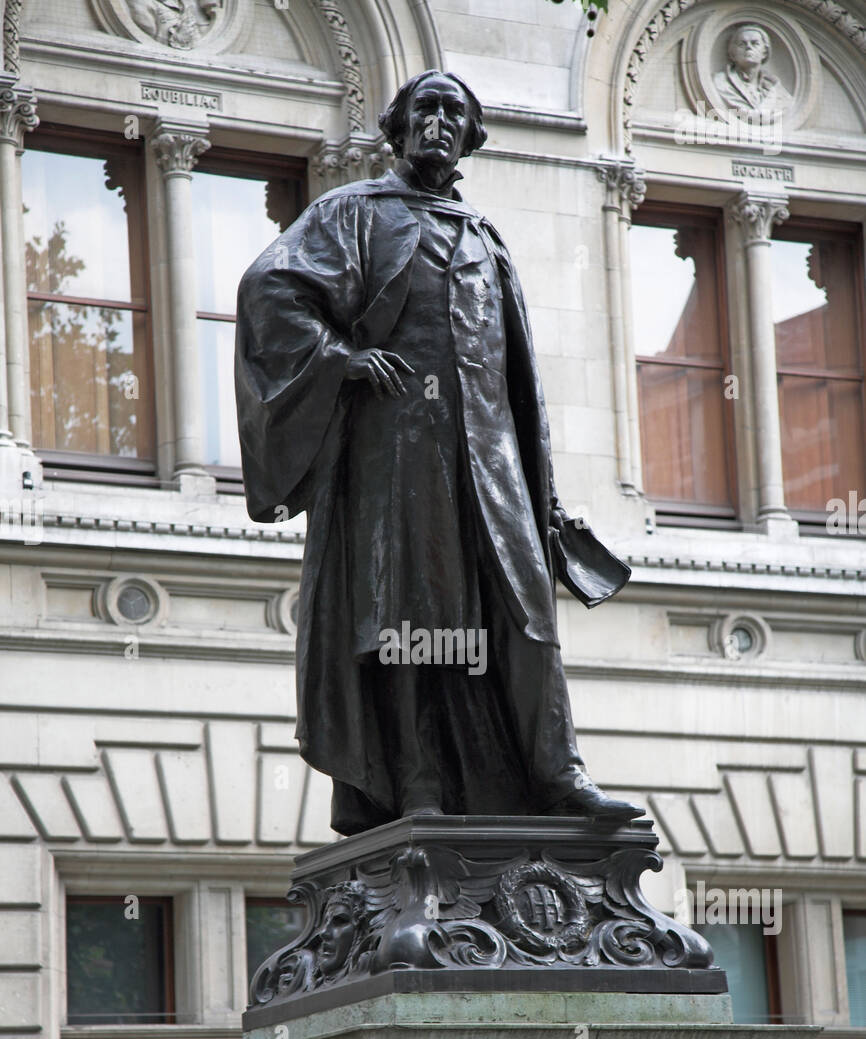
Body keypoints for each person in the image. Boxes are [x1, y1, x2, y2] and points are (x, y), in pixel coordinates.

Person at [235, 70, 644, 835]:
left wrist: (540, 491)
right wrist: (337, 359)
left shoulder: (486, 238)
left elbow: (519, 381)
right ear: (396, 127)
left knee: (524, 615)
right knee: (413, 618)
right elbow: (269, 288)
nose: (438, 121)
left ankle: (559, 775)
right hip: (400, 460)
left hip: (492, 468)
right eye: (425, 108)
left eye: (454, 110)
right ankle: (417, 786)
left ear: (471, 135)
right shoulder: (353, 214)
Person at [714, 24, 793, 117]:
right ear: (733, 53)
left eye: (755, 43)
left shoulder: (776, 89)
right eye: (742, 44)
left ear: (765, 52)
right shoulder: (720, 82)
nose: (748, 47)